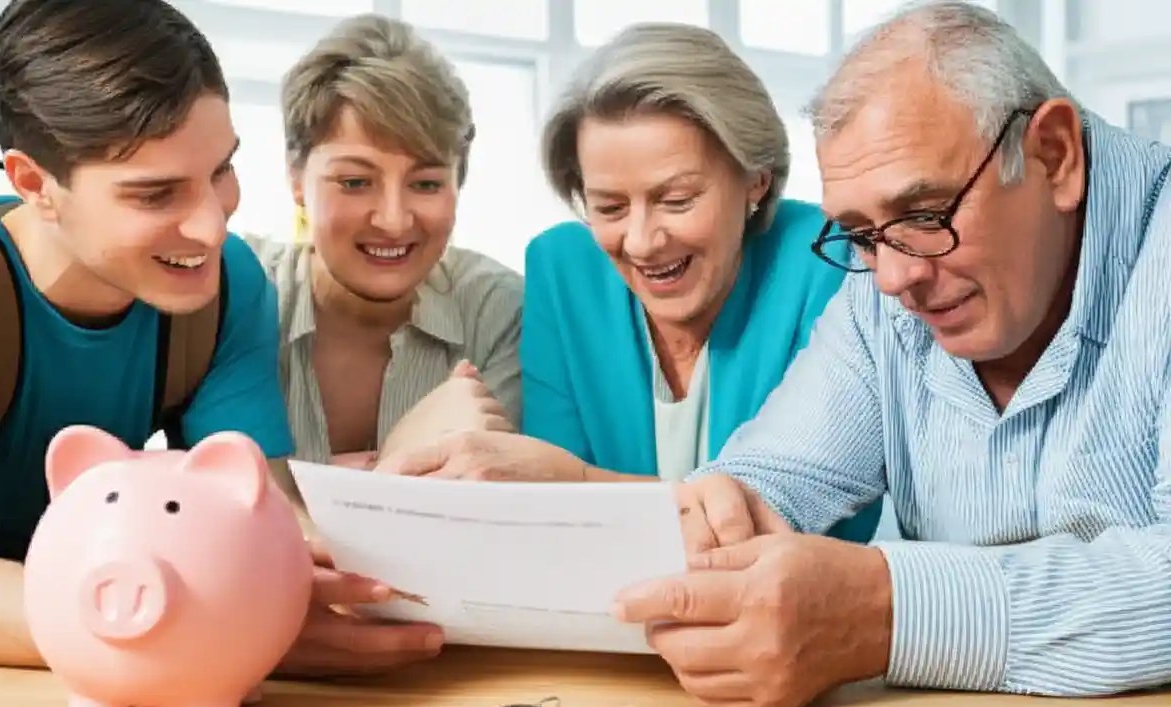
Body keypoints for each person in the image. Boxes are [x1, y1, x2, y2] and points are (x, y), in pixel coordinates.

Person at [608, 1, 1171, 707]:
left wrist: (886, 614)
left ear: (1054, 155)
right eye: (862, 236)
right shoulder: (888, 272)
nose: (896, 281)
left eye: (928, 215)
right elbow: (772, 477)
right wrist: (723, 523)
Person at [0, 0, 441, 678]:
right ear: (35, 184)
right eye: (156, 195)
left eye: (221, 171)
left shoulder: (228, 285)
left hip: (82, 654)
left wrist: (330, 582)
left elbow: (255, 519)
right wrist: (217, 627)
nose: (211, 227)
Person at [376, 22, 882, 549]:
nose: (641, 242)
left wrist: (577, 485)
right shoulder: (562, 268)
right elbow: (554, 524)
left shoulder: (833, 257)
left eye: (677, 199)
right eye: (609, 207)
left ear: (756, 178)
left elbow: (794, 526)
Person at [248, 13, 523, 471]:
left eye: (427, 184)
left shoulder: (498, 311)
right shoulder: (238, 296)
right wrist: (401, 454)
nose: (394, 221)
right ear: (296, 178)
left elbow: (479, 513)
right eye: (355, 182)